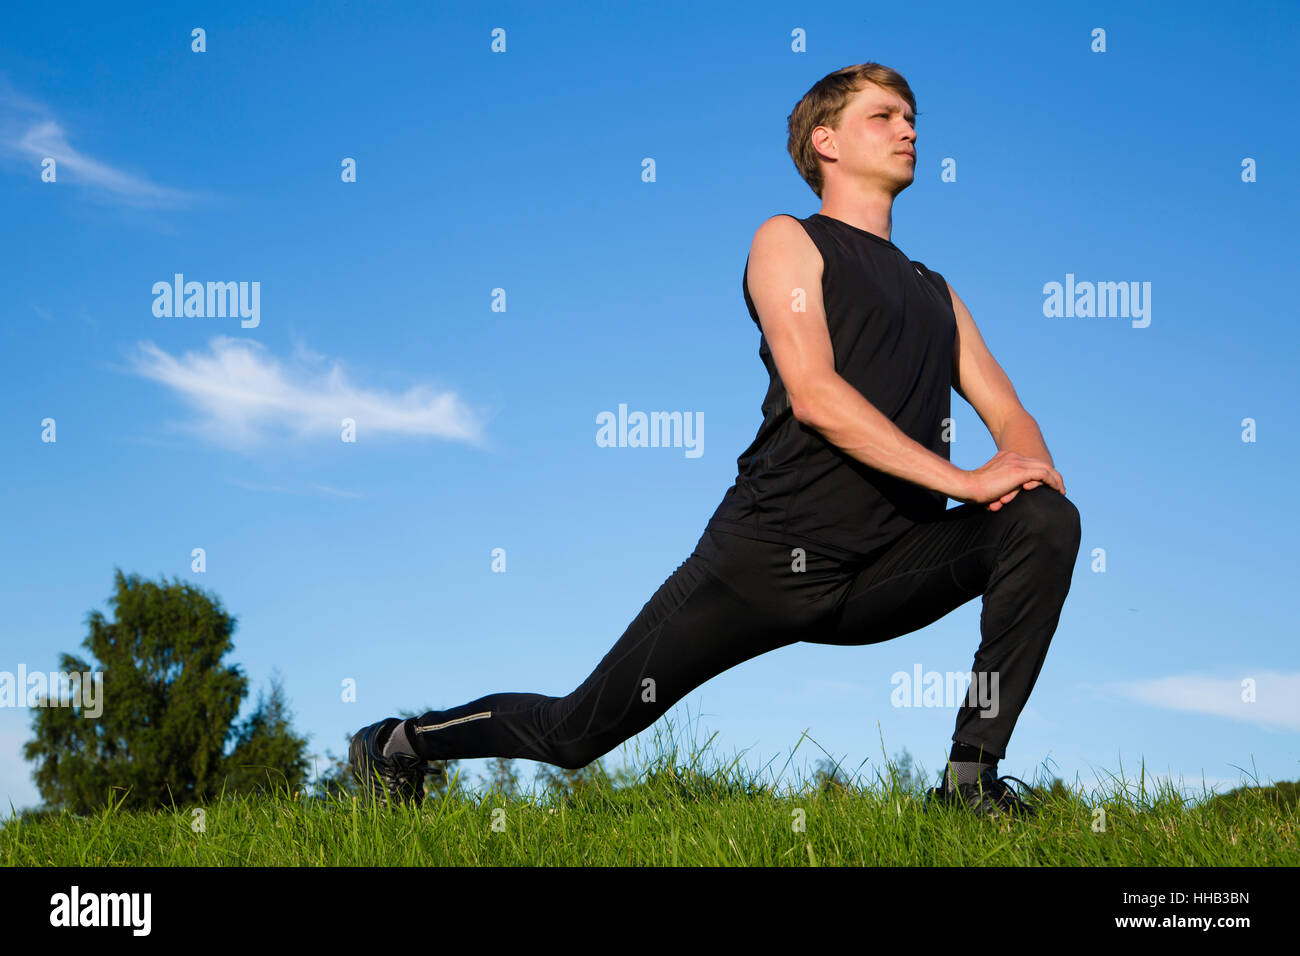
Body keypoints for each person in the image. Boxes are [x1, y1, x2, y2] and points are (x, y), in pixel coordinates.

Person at [350, 62, 1081, 821]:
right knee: (575, 734)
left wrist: (1027, 468)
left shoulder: (937, 292)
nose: (910, 130)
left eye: (913, 117)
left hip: (885, 572)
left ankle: (970, 785)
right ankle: (398, 743)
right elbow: (816, 397)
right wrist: (967, 481)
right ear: (825, 142)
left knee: (1045, 519)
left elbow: (1007, 409)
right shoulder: (788, 241)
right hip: (763, 562)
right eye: (885, 116)